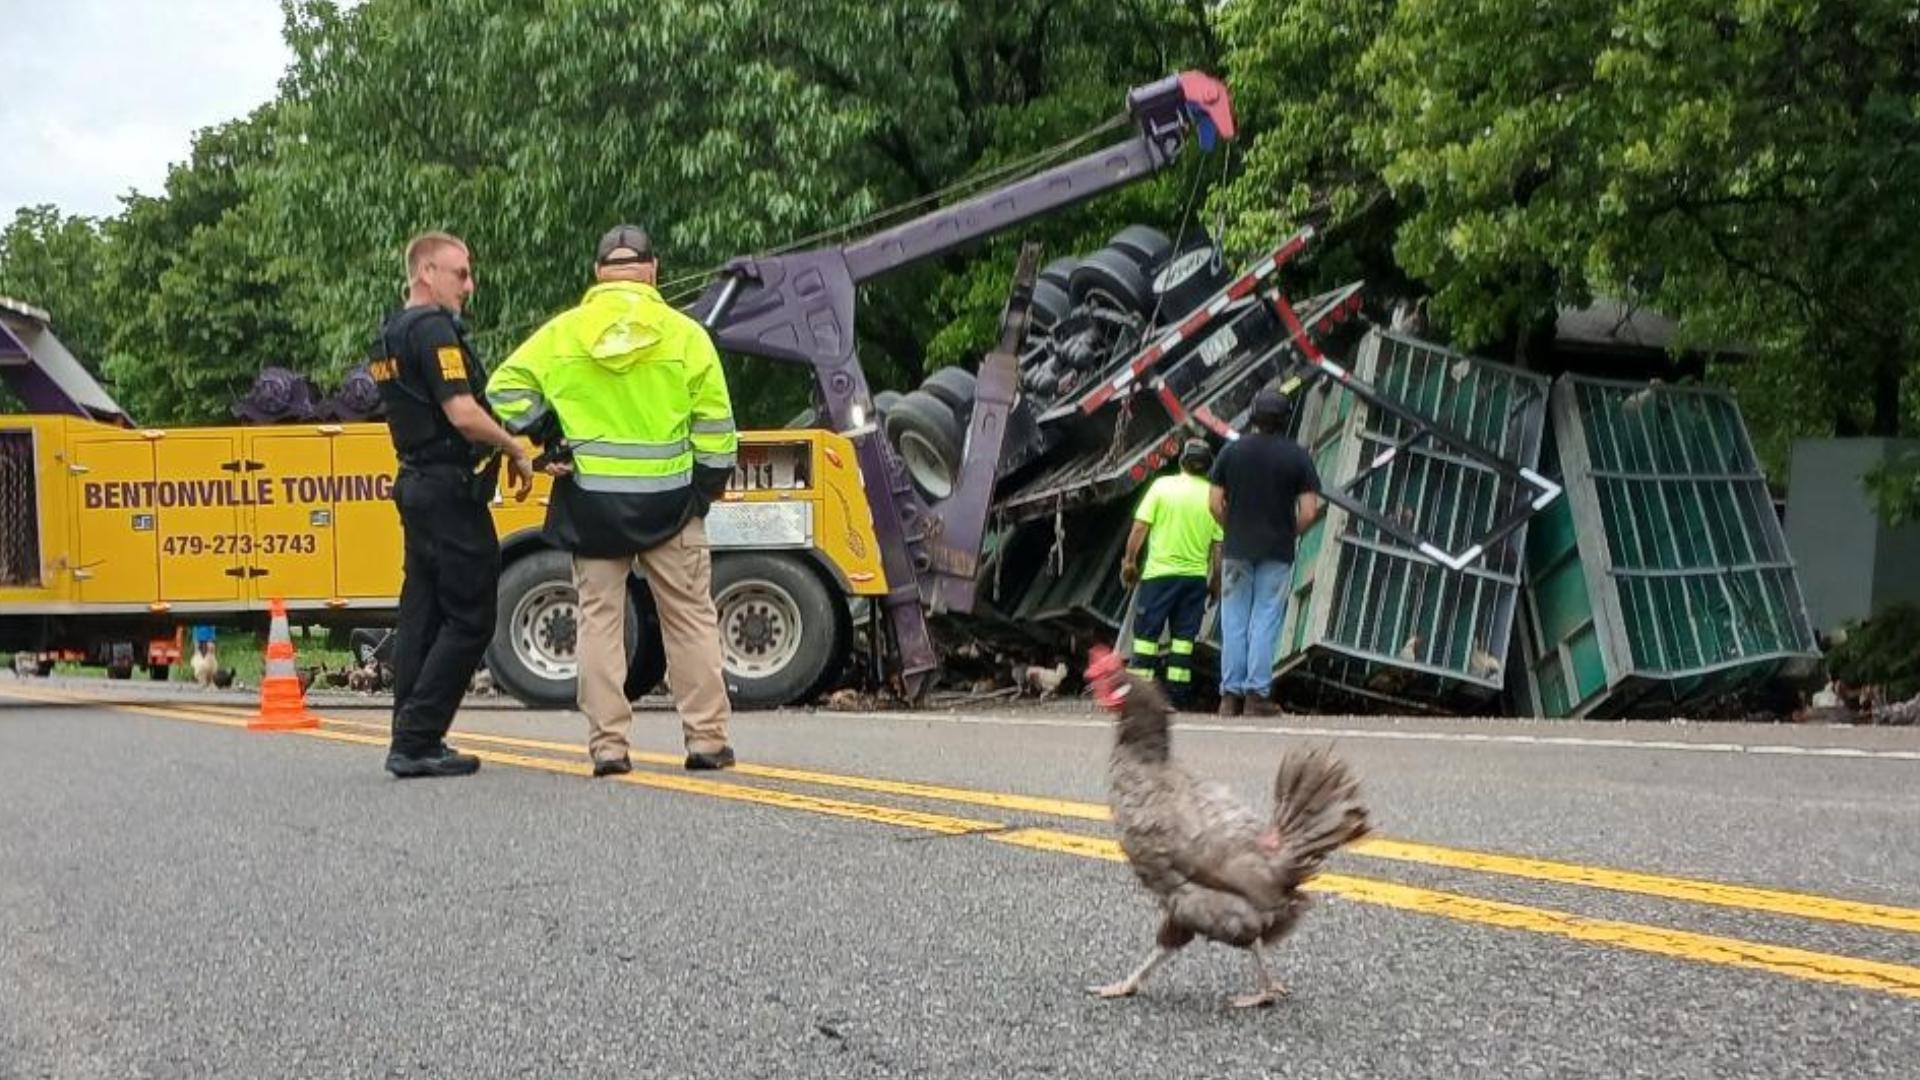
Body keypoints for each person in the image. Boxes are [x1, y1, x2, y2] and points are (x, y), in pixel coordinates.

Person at [488, 224, 739, 775]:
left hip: (591, 504)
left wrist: (546, 431)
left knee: (600, 621)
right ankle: (706, 741)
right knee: (691, 620)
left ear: (598, 273)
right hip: (671, 505)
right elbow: (717, 427)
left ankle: (608, 746)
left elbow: (502, 387)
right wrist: (704, 492)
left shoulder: (564, 333)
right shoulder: (685, 335)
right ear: (653, 270)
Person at [370, 231, 534, 778]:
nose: (469, 284)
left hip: (417, 484)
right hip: (445, 490)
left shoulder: (390, 333)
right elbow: (462, 412)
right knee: (471, 617)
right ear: (426, 274)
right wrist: (513, 446)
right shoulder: (433, 328)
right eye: (459, 273)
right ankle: (418, 738)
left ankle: (410, 736)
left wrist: (507, 439)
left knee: (422, 614)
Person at [1208, 387, 1321, 717]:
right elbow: (1310, 510)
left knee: (1234, 619)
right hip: (1277, 551)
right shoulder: (1297, 456)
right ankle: (1257, 697)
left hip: (1236, 550)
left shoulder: (1232, 452)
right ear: (1286, 419)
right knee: (1265, 619)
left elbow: (1214, 503)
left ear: (1253, 415)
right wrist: (1290, 532)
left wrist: (1232, 527)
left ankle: (1229, 697)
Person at [1120, 438, 1223, 709]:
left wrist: (1129, 561)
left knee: (1145, 638)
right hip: (1194, 580)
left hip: (1159, 576)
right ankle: (1176, 697)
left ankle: (1141, 696)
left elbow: (1140, 527)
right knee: (1183, 641)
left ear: (1182, 461)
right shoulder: (1213, 496)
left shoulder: (1162, 487)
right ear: (1208, 466)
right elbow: (1218, 547)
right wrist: (1216, 581)